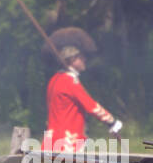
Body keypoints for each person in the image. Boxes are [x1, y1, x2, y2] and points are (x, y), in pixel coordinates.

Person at [41, 27, 122, 155]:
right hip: (68, 141)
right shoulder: (69, 81)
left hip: (53, 140)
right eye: (81, 57)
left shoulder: (54, 80)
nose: (84, 60)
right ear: (72, 60)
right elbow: (90, 105)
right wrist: (111, 121)